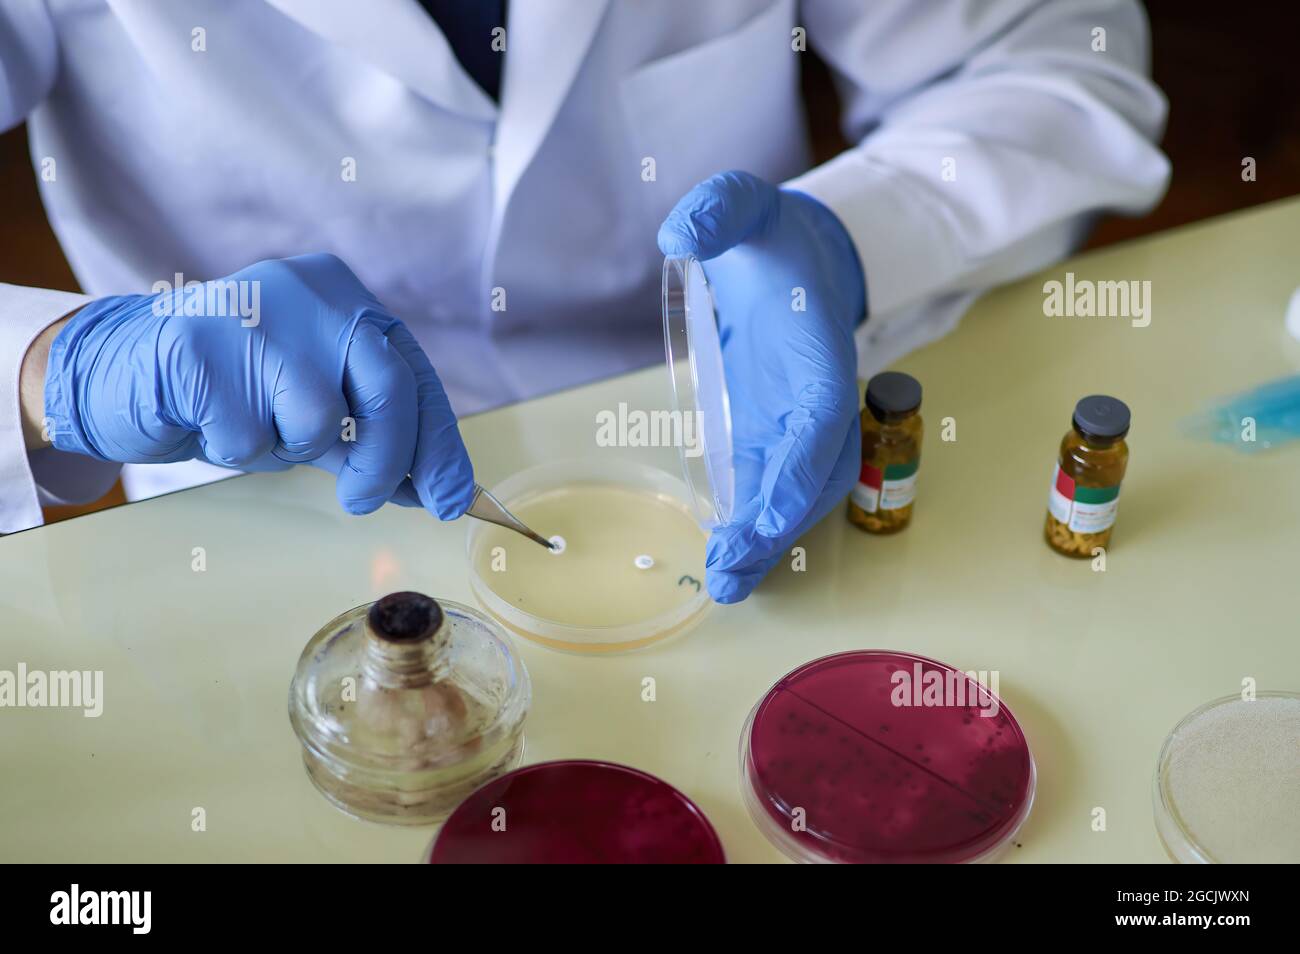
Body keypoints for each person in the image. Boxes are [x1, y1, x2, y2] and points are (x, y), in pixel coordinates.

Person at [0, 0, 1169, 601]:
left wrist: (855, 237)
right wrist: (58, 364)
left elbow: (1045, 62)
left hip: (706, 425)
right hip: (243, 479)